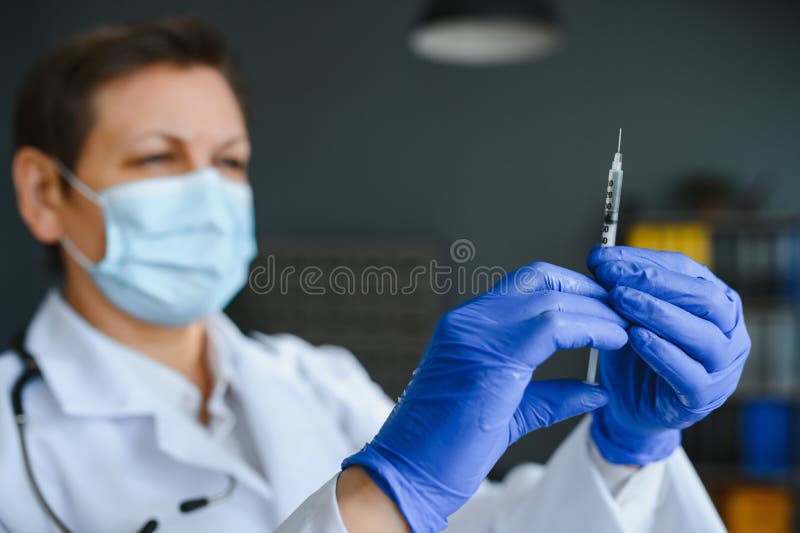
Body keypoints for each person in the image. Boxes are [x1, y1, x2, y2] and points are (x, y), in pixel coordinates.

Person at [0, 18, 749, 533]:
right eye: (158, 157)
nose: (206, 193)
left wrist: (623, 453)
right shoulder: (12, 441)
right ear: (43, 193)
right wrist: (386, 493)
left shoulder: (314, 379)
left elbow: (483, 527)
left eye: (228, 160)